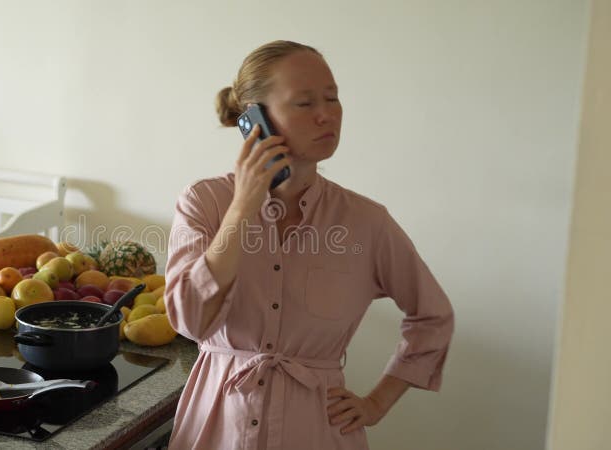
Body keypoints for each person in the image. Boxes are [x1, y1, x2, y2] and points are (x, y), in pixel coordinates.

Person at [164, 40, 454, 450]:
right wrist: (244, 207)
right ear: (255, 118)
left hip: (319, 431)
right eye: (304, 103)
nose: (327, 115)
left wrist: (377, 403)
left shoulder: (367, 222)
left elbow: (433, 316)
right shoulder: (204, 203)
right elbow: (190, 320)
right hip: (216, 428)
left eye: (333, 98)